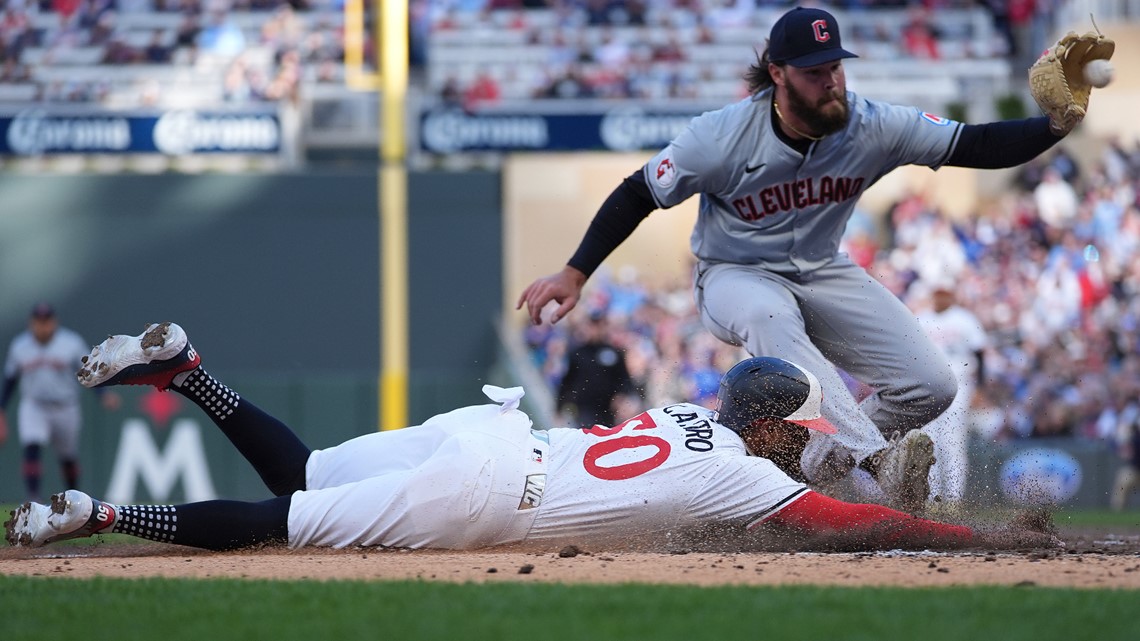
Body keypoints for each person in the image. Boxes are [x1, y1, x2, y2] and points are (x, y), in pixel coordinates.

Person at [517, 6, 1096, 513]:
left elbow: (975, 144)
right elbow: (639, 191)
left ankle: (821, 465)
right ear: (777, 74)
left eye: (836, 67)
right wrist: (576, 271)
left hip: (822, 268)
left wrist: (1054, 124)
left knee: (932, 385)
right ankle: (872, 468)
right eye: (815, 72)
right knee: (771, 317)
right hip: (735, 275)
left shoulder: (872, 125)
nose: (831, 83)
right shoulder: (720, 137)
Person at [5, 322, 1054, 552]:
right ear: (769, 425)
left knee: (309, 466)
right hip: (487, 491)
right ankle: (101, 512)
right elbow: (846, 516)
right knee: (287, 519)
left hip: (492, 426)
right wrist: (971, 539)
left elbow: (772, 452)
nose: (797, 441)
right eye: (796, 427)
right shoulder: (736, 475)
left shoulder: (694, 412)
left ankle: (190, 367)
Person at [0, 303, 119, 502]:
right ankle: (32, 498)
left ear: (54, 322)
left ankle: (74, 498)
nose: (43, 326)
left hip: (66, 406)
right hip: (34, 405)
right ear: (32, 323)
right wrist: (1, 409)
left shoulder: (70, 343)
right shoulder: (20, 346)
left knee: (68, 456)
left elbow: (89, 372)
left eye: (46, 321)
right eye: (39, 322)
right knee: (32, 445)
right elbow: (10, 380)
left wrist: (103, 394)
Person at [915, 282, 987, 509]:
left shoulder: (964, 319)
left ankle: (954, 500)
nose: (941, 298)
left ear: (952, 296)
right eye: (937, 294)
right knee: (929, 444)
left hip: (959, 386)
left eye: (944, 294)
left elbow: (980, 354)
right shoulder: (921, 318)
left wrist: (980, 388)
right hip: (927, 389)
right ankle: (932, 499)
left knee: (953, 444)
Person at [556, 311, 637, 427]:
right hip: (583, 407)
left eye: (600, 325)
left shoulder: (614, 353)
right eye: (593, 325)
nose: (596, 329)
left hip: (606, 409)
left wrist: (622, 395)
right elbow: (567, 381)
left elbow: (624, 379)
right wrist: (559, 407)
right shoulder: (578, 353)